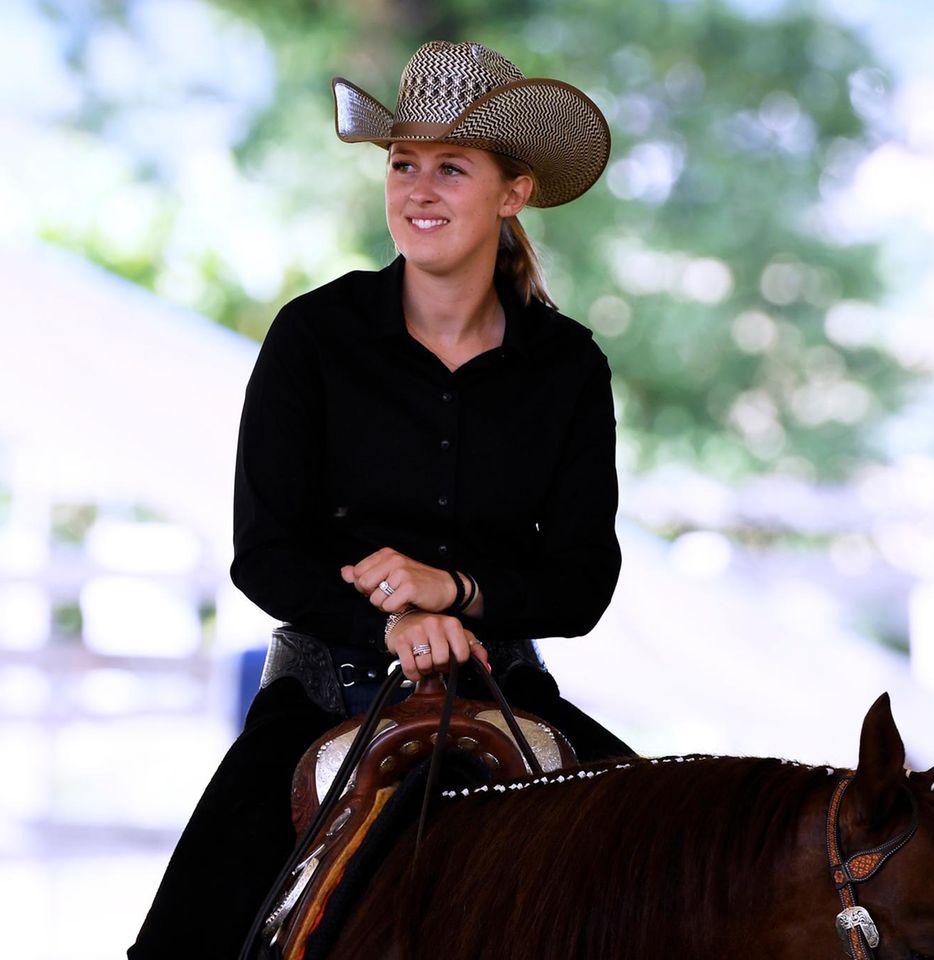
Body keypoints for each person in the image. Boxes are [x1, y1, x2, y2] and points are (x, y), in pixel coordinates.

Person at [128, 40, 631, 960]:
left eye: (451, 167)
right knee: (188, 935)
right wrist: (389, 625)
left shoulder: (568, 368)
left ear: (512, 192)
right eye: (404, 165)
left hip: (501, 685)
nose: (418, 189)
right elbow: (265, 551)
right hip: (324, 688)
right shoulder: (314, 336)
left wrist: (457, 592)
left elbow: (583, 580)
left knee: (661, 868)